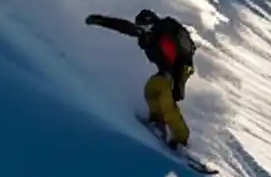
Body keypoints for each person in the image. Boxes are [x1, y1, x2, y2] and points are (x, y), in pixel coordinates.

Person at [84, 8, 197, 149]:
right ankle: (157, 120)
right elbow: (123, 26)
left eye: (145, 27)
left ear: (152, 24)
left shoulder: (164, 36)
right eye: (141, 28)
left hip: (180, 68)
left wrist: (178, 86)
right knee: (151, 89)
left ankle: (181, 138)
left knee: (165, 98)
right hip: (168, 69)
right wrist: (101, 20)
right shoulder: (147, 34)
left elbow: (175, 61)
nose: (143, 31)